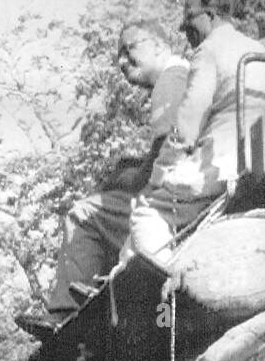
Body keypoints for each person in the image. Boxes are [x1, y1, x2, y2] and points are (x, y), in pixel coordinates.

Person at [127, 0, 265, 263]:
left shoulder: (209, 51)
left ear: (210, 15)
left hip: (225, 164)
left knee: (147, 211)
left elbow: (187, 126)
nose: (185, 31)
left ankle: (164, 286)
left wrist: (157, 177)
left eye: (189, 20)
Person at [45, 19, 189, 313]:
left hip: (175, 197)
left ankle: (64, 311)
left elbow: (170, 149)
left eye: (130, 49)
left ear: (160, 46)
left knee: (83, 213)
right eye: (118, 56)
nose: (122, 61)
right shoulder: (186, 76)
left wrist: (132, 178)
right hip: (187, 184)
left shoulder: (171, 80)